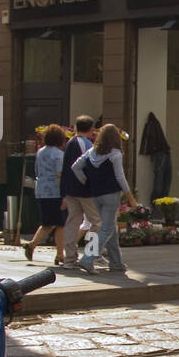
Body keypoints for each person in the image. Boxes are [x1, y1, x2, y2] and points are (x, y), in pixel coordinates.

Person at [71, 124, 137, 275]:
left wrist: (85, 181)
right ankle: (88, 258)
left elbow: (75, 167)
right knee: (106, 229)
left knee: (110, 227)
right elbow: (120, 177)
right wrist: (130, 198)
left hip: (96, 194)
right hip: (111, 194)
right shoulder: (115, 154)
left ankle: (116, 263)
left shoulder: (91, 152)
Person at [59, 115, 100, 268]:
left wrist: (63, 192)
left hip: (70, 190)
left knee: (72, 222)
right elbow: (90, 167)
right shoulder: (88, 144)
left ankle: (69, 258)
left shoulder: (69, 143)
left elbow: (65, 169)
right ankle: (89, 256)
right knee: (97, 223)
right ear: (91, 129)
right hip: (86, 190)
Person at [23, 125, 67, 264]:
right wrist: (65, 194)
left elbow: (36, 170)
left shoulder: (40, 152)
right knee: (60, 223)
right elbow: (60, 174)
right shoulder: (59, 155)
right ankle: (60, 254)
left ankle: (33, 244)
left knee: (48, 222)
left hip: (41, 190)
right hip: (55, 191)